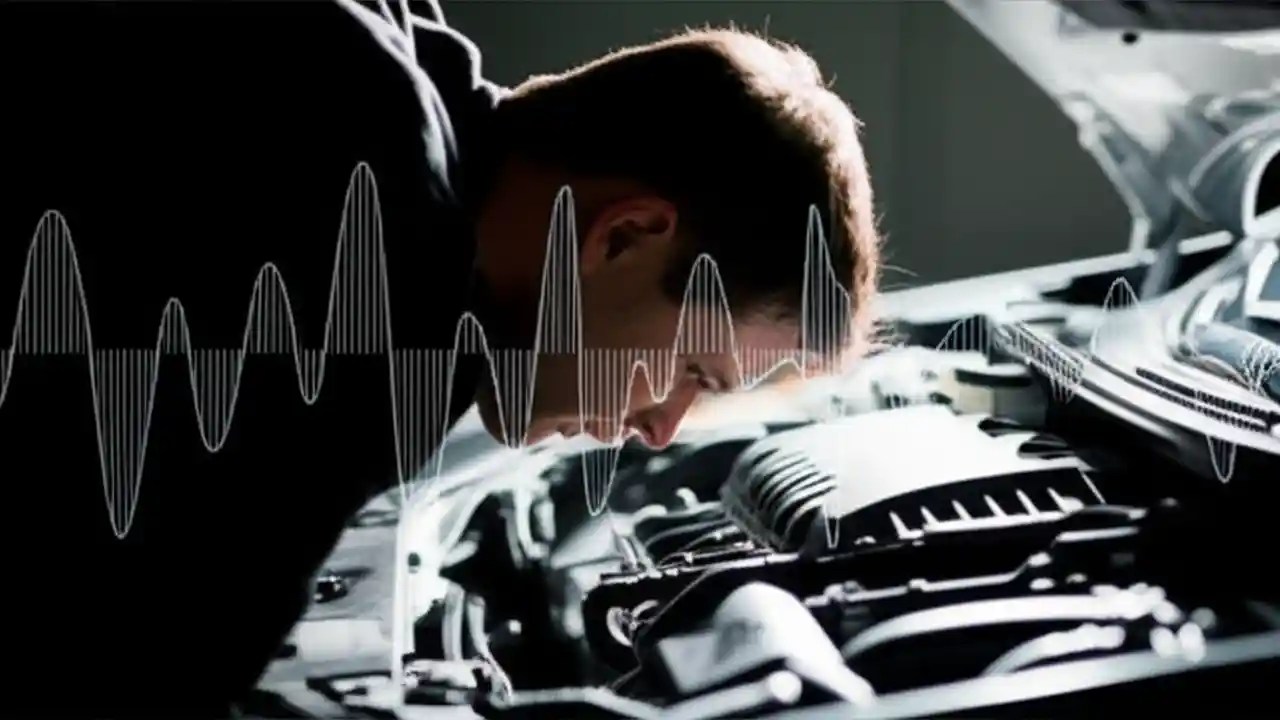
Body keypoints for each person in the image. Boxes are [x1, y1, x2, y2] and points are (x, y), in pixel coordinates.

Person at [0, 0, 879, 716]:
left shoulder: (383, 60)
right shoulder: (382, 289)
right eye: (695, 372)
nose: (659, 431)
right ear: (626, 239)